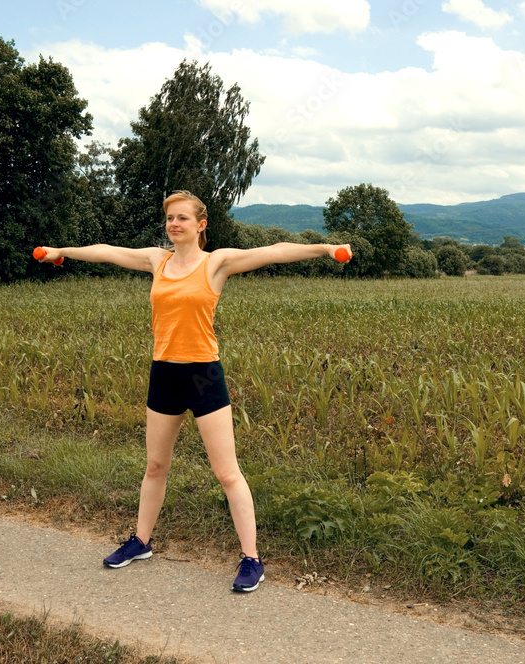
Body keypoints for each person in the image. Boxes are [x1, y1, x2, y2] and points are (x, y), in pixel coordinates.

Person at [35, 190, 350, 593]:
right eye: (170, 218)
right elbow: (106, 251)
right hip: (163, 373)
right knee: (155, 467)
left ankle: (251, 559)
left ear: (201, 225)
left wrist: (326, 248)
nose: (174, 225)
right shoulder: (157, 260)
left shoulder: (216, 263)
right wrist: (60, 250)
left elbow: (275, 250)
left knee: (226, 472)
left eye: (182, 218)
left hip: (203, 374)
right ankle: (141, 542)